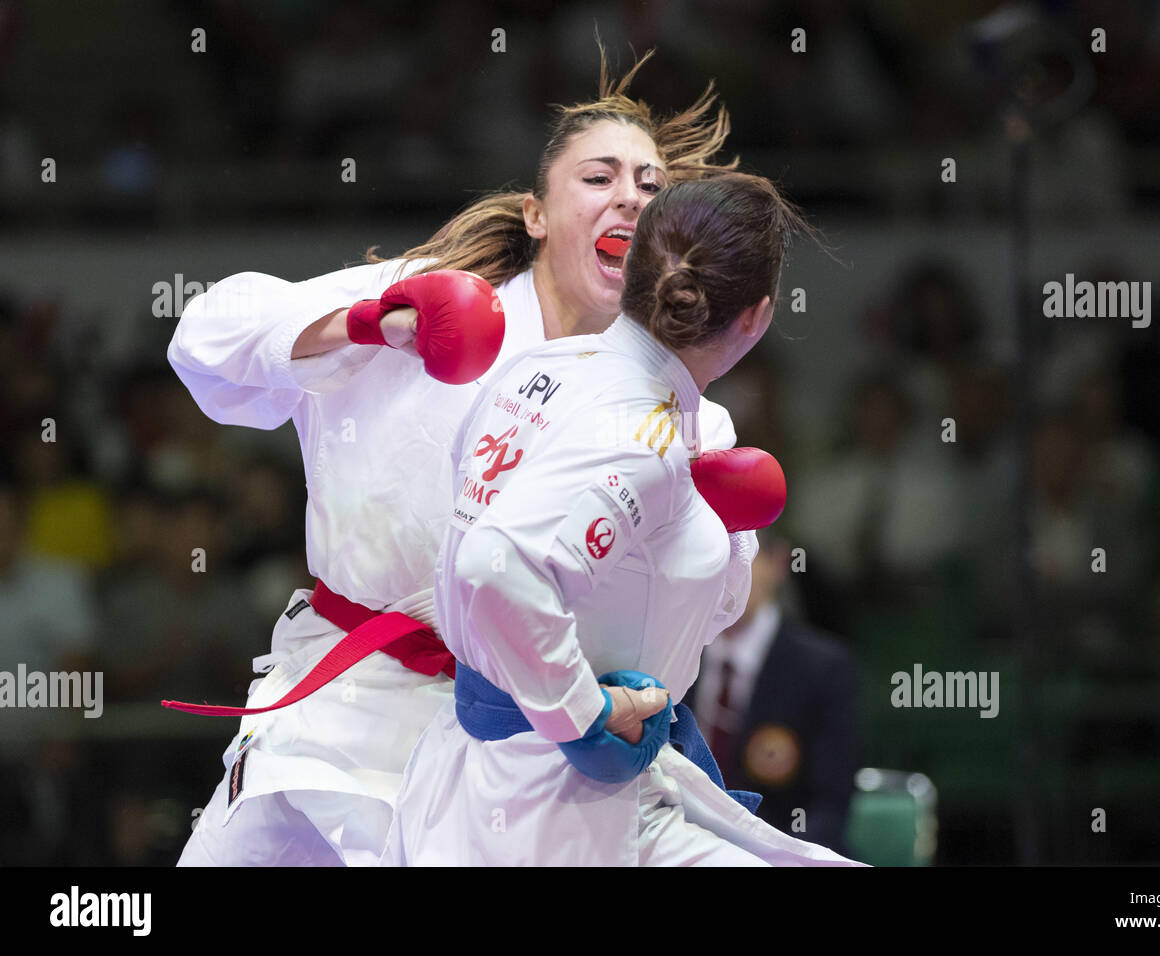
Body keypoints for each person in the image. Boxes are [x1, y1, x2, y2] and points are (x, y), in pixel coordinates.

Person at [166, 49, 758, 866]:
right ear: (536, 214)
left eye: (652, 187)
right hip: (348, 719)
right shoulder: (427, 300)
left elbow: (707, 615)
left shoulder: (687, 417)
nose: (631, 195)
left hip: (528, 758)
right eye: (600, 177)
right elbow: (203, 339)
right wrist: (370, 324)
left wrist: (726, 537)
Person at [383, 173, 861, 866]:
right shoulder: (648, 433)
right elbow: (493, 563)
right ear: (756, 316)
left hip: (518, 779)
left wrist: (728, 535)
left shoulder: (534, 373)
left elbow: (694, 615)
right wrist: (581, 714)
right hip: (553, 801)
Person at [686, 529, 860, 855]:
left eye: (739, 559)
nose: (724, 577)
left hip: (778, 852)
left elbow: (830, 809)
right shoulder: (675, 655)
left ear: (777, 563)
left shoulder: (823, 669)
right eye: (714, 558)